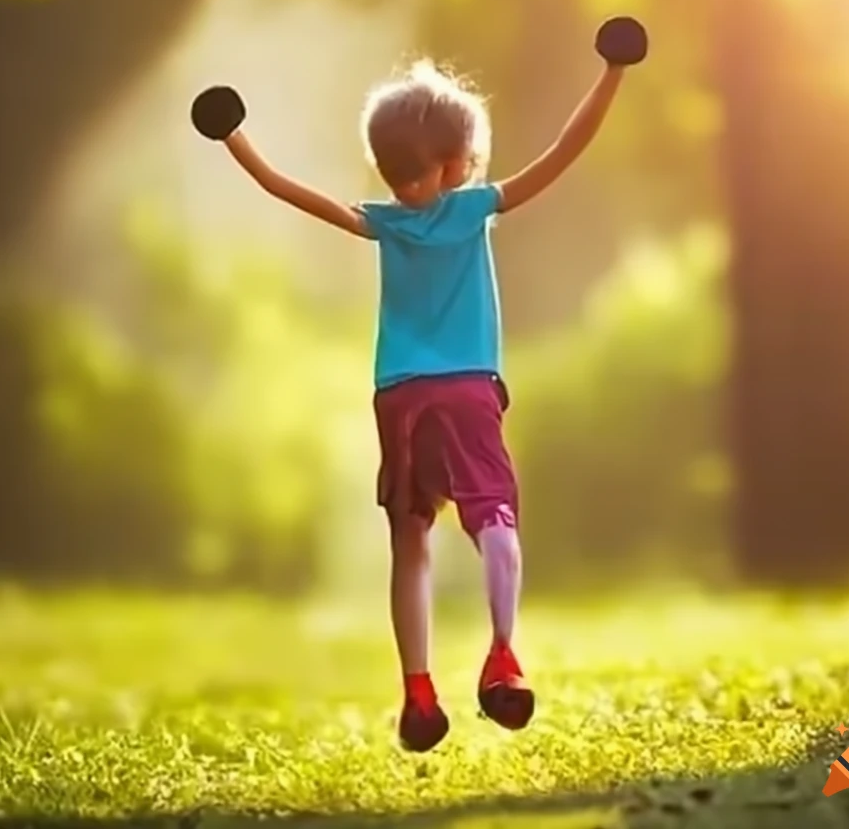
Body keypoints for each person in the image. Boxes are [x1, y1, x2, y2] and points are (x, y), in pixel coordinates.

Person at [219, 45, 626, 752]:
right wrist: (614, 71)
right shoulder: (475, 207)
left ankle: (418, 690)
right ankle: (502, 656)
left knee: (410, 541)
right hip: (468, 388)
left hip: (399, 394)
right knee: (494, 517)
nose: (410, 184)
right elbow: (566, 149)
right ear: (458, 161)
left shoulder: (386, 221)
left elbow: (284, 188)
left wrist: (233, 137)